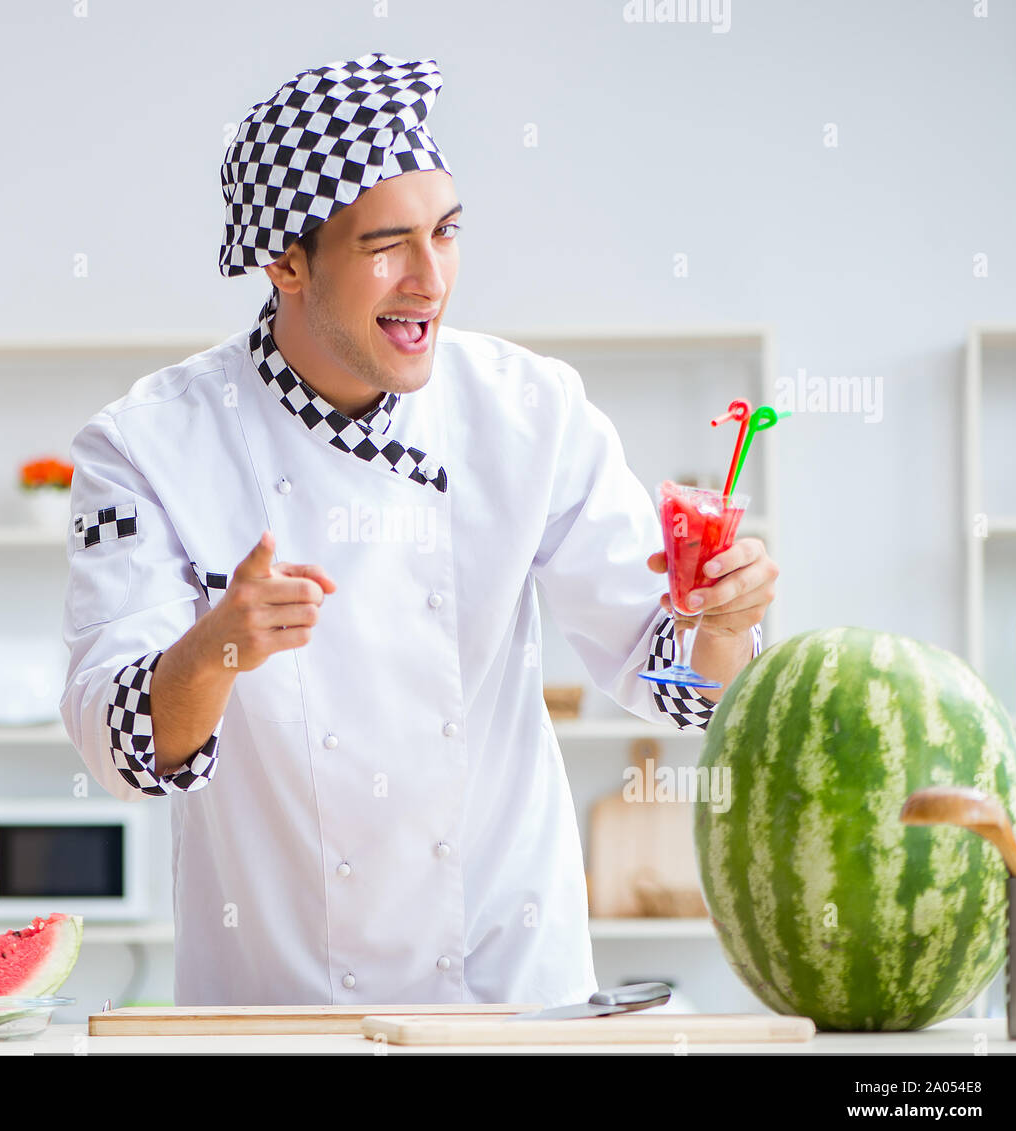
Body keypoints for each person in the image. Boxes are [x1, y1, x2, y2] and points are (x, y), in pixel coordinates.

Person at [60, 51, 778, 1007]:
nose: (429, 278)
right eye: (385, 245)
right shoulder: (148, 445)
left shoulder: (531, 410)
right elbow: (126, 752)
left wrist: (722, 621)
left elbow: (679, 690)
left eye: (445, 232)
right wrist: (221, 644)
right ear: (286, 261)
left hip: (512, 995)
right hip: (279, 1011)